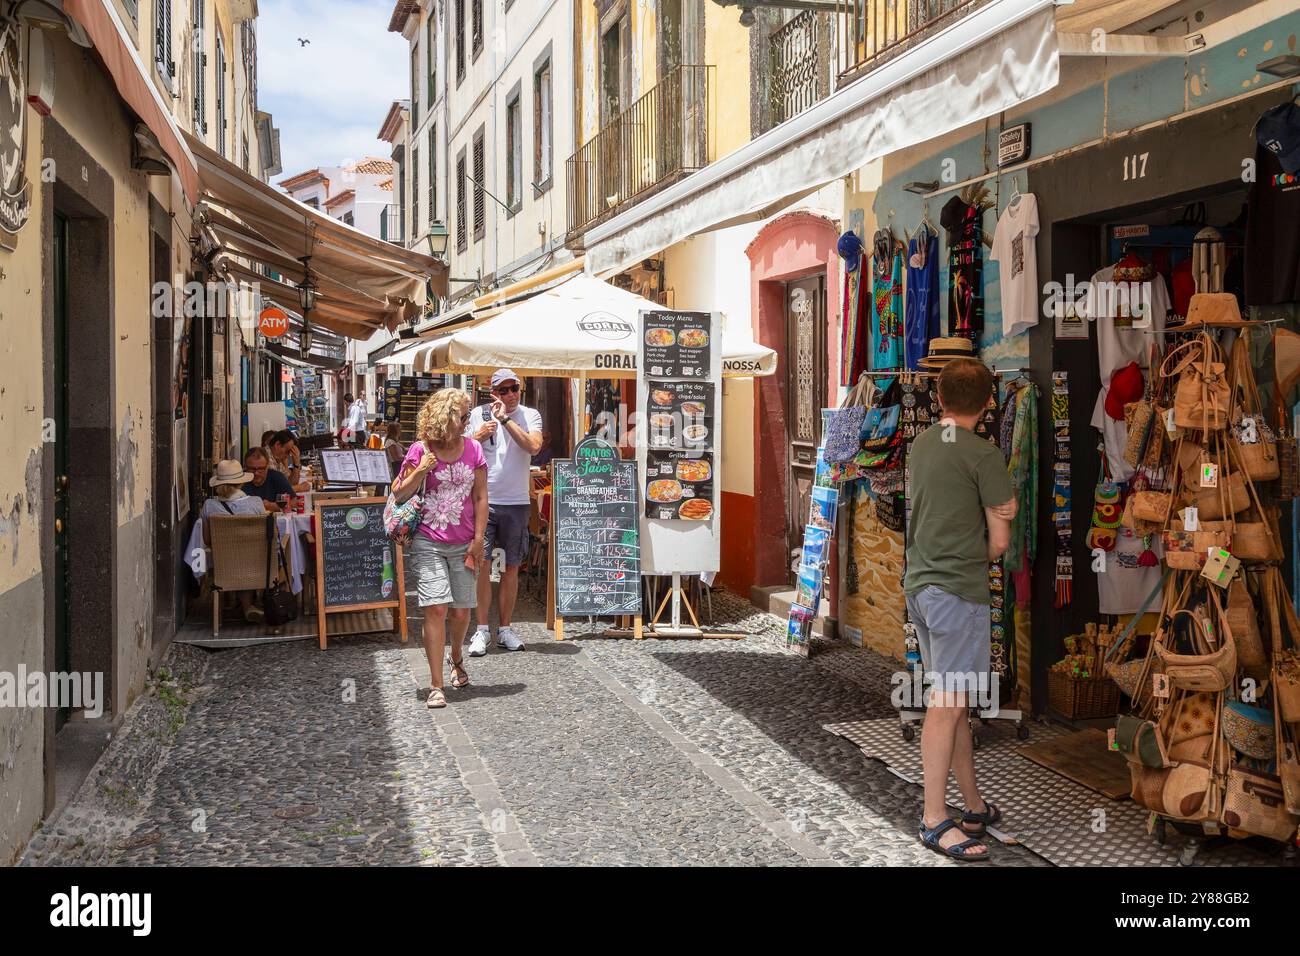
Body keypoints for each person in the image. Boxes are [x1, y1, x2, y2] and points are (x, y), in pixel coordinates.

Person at [904, 358, 1016, 862]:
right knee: (947, 706)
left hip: (921, 587)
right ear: (989, 403)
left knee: (956, 703)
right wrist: (999, 515)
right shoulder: (985, 456)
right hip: (958, 592)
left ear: (940, 399)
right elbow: (998, 546)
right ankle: (933, 819)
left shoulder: (922, 445)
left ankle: (972, 807)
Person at [391, 389, 488, 709]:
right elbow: (399, 493)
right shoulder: (421, 449)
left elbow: (480, 497)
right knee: (435, 607)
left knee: (461, 610)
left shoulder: (474, 449)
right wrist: (421, 469)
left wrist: (478, 540)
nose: (467, 421)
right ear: (448, 419)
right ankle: (436, 684)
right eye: (463, 416)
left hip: (464, 542)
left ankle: (456, 655)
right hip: (428, 540)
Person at [465, 369, 543, 655]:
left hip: (517, 500)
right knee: (482, 566)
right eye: (504, 390)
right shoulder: (476, 414)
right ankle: (482, 629)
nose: (511, 394)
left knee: (511, 567)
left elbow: (533, 446)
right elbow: (461, 450)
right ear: (493, 392)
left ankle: (506, 629)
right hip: (483, 500)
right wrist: (478, 435)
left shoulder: (529, 415)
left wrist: (505, 420)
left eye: (515, 389)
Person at [202, 459, 270, 622]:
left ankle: (240, 605)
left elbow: (206, 539)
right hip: (255, 563)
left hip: (224, 563)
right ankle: (263, 604)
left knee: (235, 559)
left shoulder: (209, 506)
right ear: (241, 483)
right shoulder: (256, 503)